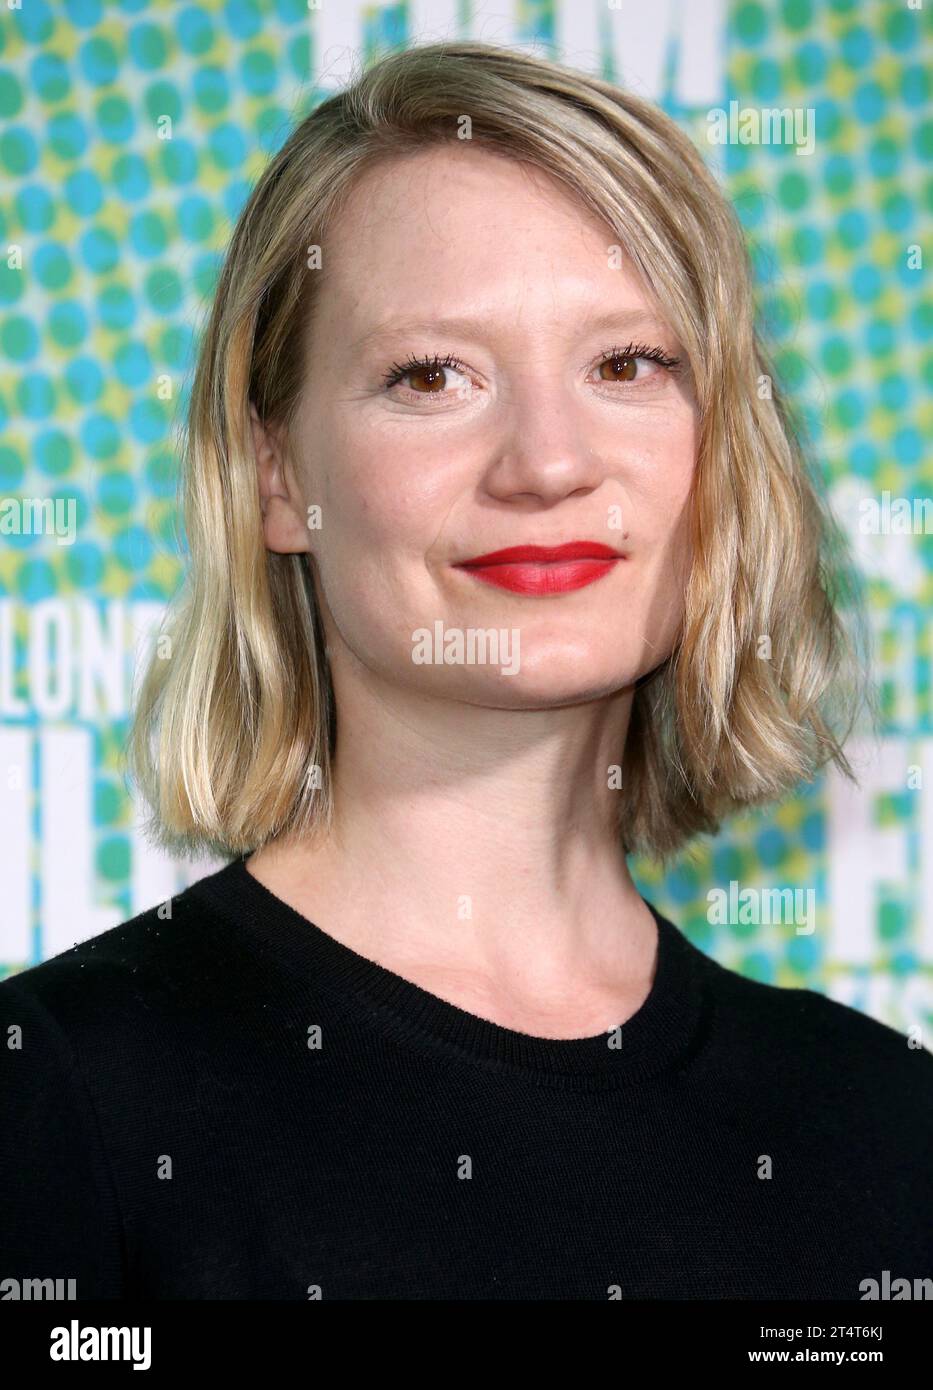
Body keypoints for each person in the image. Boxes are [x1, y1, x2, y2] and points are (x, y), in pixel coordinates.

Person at [1, 40, 929, 1302]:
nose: (547, 462)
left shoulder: (882, 1121)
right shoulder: (55, 1096)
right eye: (432, 375)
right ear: (278, 474)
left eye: (627, 364)